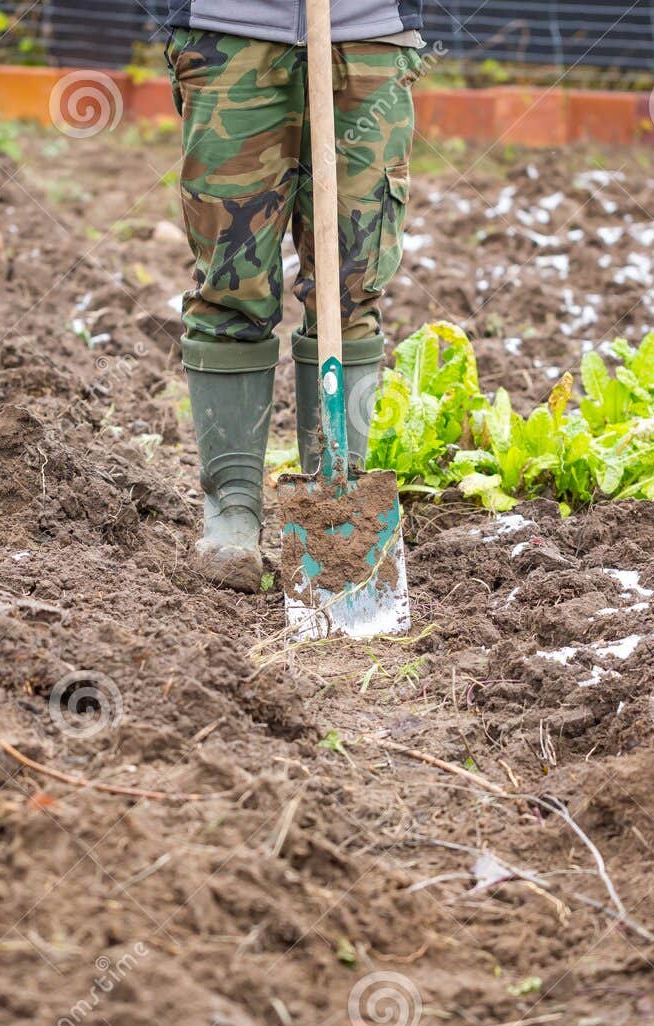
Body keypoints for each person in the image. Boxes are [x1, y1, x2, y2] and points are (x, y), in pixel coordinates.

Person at [164, 1, 422, 591]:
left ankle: (336, 504)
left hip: (368, 33)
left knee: (353, 283)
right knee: (232, 282)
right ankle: (232, 507)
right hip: (233, 28)